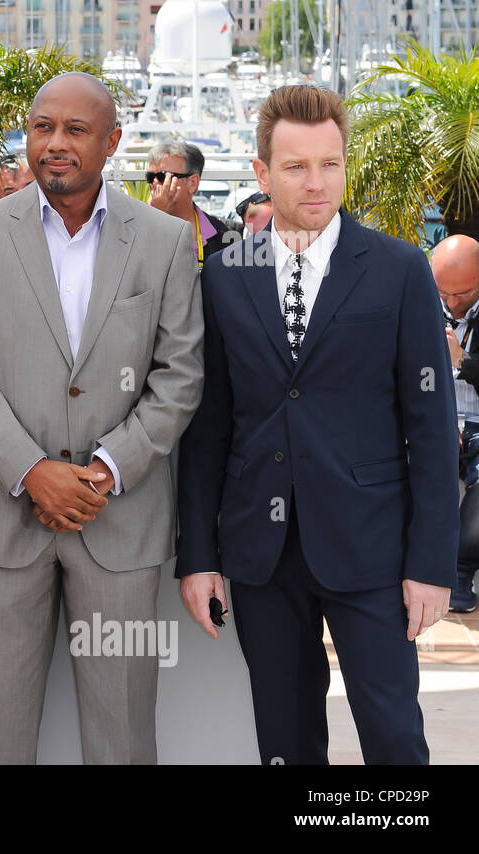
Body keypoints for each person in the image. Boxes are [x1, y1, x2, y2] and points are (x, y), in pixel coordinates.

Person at [177, 85, 457, 765]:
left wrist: (431, 565)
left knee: (393, 736)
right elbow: (208, 427)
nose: (316, 182)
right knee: (285, 737)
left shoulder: (397, 270)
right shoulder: (222, 276)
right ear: (262, 172)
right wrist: (199, 557)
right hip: (261, 553)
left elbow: (431, 426)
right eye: (296, 166)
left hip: (373, 551)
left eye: (330, 164)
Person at [0, 72, 204, 764]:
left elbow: (180, 376)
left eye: (75, 130)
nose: (53, 144)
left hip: (120, 519)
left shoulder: (165, 243)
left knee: (122, 736)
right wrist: (32, 471)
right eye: (41, 127)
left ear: (112, 142)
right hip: (1, 521)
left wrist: (107, 470)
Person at [432, 234, 479, 613]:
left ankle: (461, 571)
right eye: (443, 293)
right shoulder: (420, 305)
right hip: (433, 420)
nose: (451, 303)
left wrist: (463, 360)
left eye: (462, 294)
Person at [146, 139, 237, 264]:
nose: (154, 183)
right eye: (150, 177)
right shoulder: (136, 230)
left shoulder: (225, 234)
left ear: (192, 183)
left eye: (163, 177)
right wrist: (155, 218)